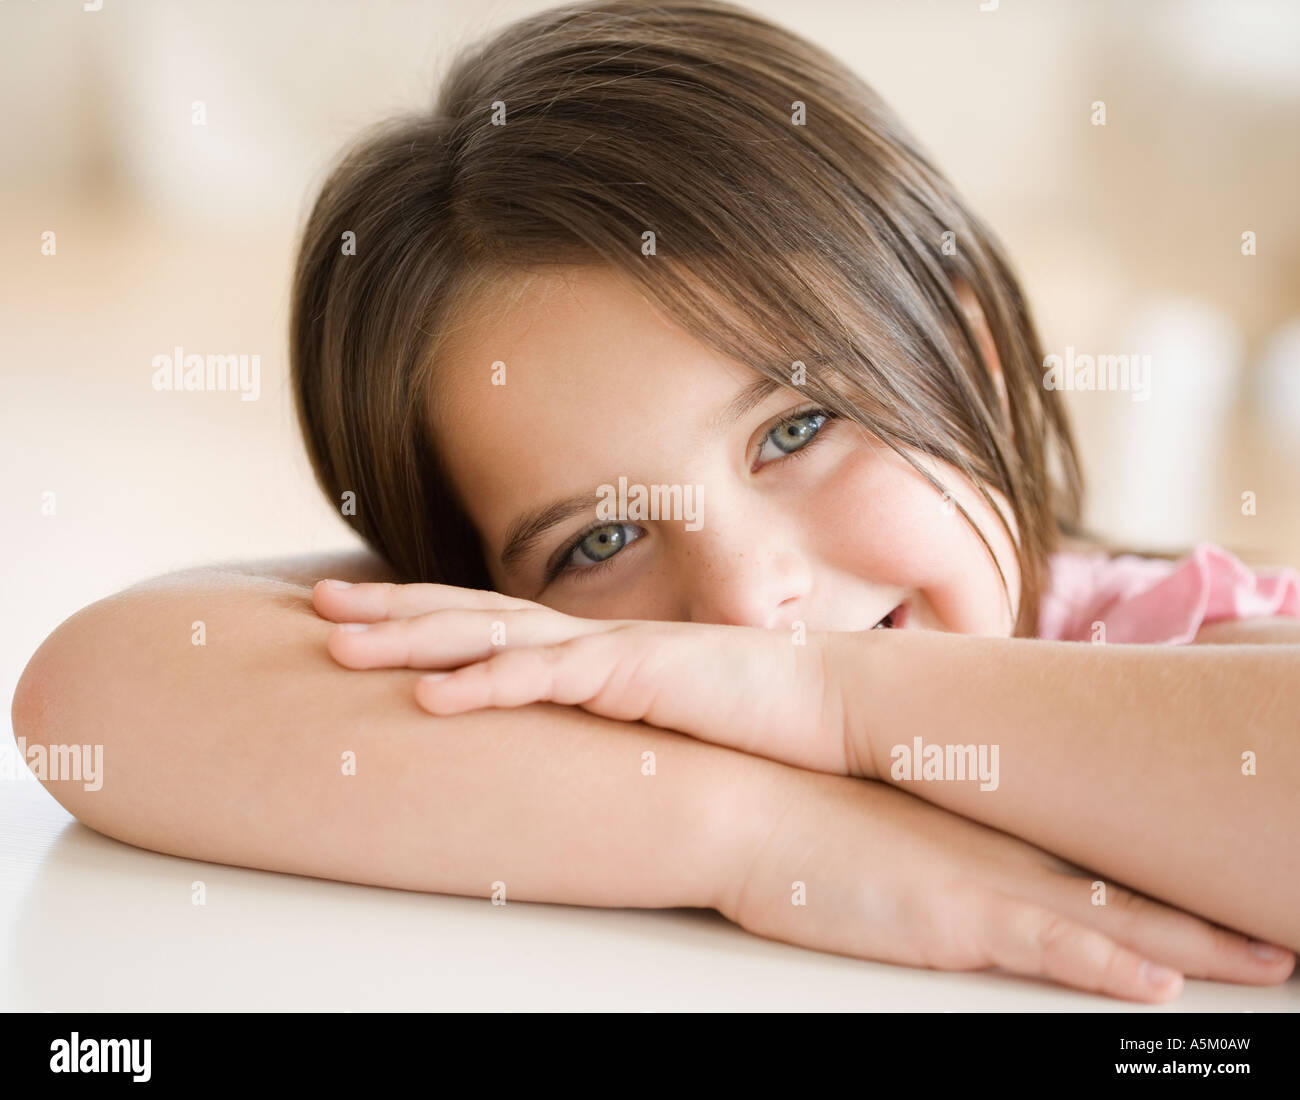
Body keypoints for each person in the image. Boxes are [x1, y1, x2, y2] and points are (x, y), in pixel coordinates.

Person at [14, 0, 1299, 1003]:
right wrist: (761, 834)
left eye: (795, 426)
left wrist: (827, 702)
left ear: (981, 363)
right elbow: (100, 696)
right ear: (486, 600)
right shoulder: (612, 719)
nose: (748, 606)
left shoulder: (1173, 639)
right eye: (602, 538)